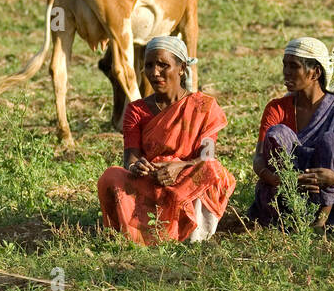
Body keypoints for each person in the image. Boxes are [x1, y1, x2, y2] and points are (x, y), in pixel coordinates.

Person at [97, 36, 236, 245]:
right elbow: (131, 159)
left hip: (187, 179)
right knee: (111, 176)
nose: (154, 73)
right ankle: (139, 232)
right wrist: (137, 167)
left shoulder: (203, 106)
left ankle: (194, 234)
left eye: (163, 65)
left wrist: (179, 166)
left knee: (212, 168)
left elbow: (207, 155)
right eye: (149, 65)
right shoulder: (136, 110)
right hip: (151, 182)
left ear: (181, 68)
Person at [249, 38, 334, 230]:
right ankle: (289, 216)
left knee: (331, 141)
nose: (286, 72)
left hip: (332, 197)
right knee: (278, 133)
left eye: (294, 66)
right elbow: (259, 157)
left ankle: (322, 219)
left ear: (315, 72)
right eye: (285, 65)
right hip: (286, 193)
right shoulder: (277, 108)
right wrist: (276, 179)